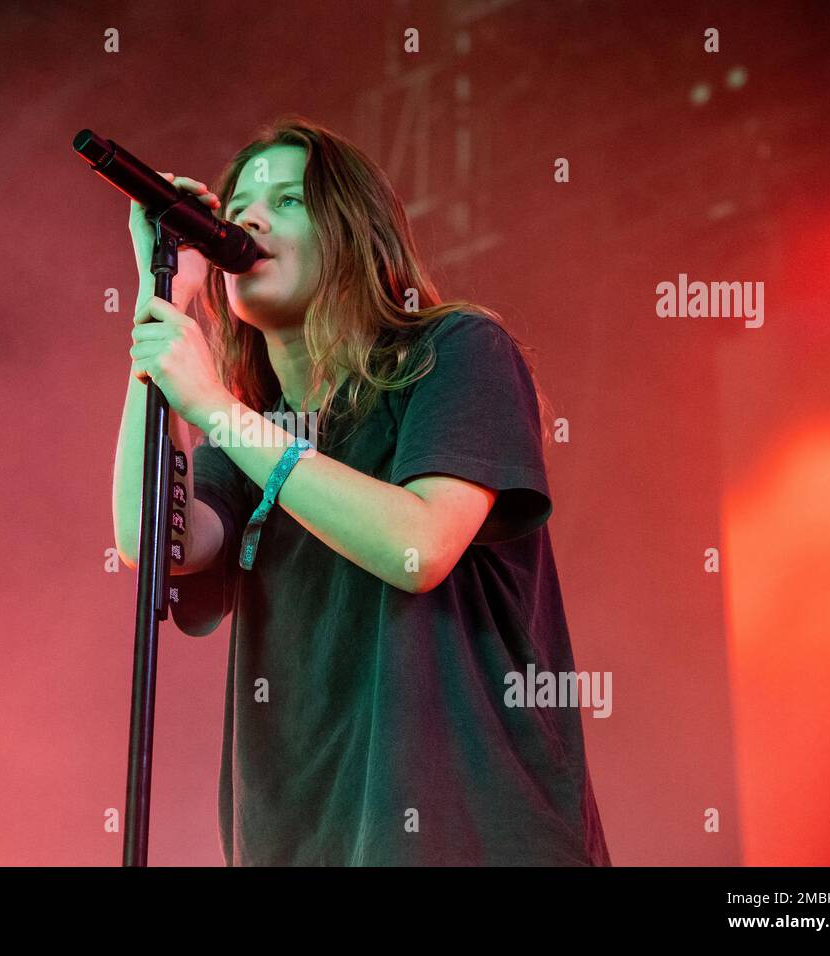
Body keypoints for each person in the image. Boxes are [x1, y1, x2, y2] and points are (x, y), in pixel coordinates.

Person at [112, 116, 611, 866]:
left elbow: (417, 547)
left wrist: (213, 404)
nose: (247, 217)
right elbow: (149, 543)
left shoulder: (456, 353)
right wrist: (166, 313)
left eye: (287, 200)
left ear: (352, 230)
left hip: (472, 839)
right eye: (240, 202)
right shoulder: (253, 433)